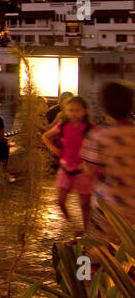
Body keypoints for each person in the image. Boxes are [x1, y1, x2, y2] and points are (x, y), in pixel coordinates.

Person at [81, 81, 135, 240]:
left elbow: (91, 171)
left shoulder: (98, 137)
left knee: (95, 257)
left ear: (104, 107)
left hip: (108, 210)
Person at [43, 95, 94, 232]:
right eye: (70, 110)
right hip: (65, 167)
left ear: (85, 111)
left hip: (82, 170)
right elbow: (46, 136)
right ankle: (73, 225)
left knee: (85, 205)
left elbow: (100, 146)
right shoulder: (64, 126)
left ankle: (86, 231)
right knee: (60, 201)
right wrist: (54, 149)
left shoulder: (90, 129)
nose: (73, 113)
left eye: (77, 110)